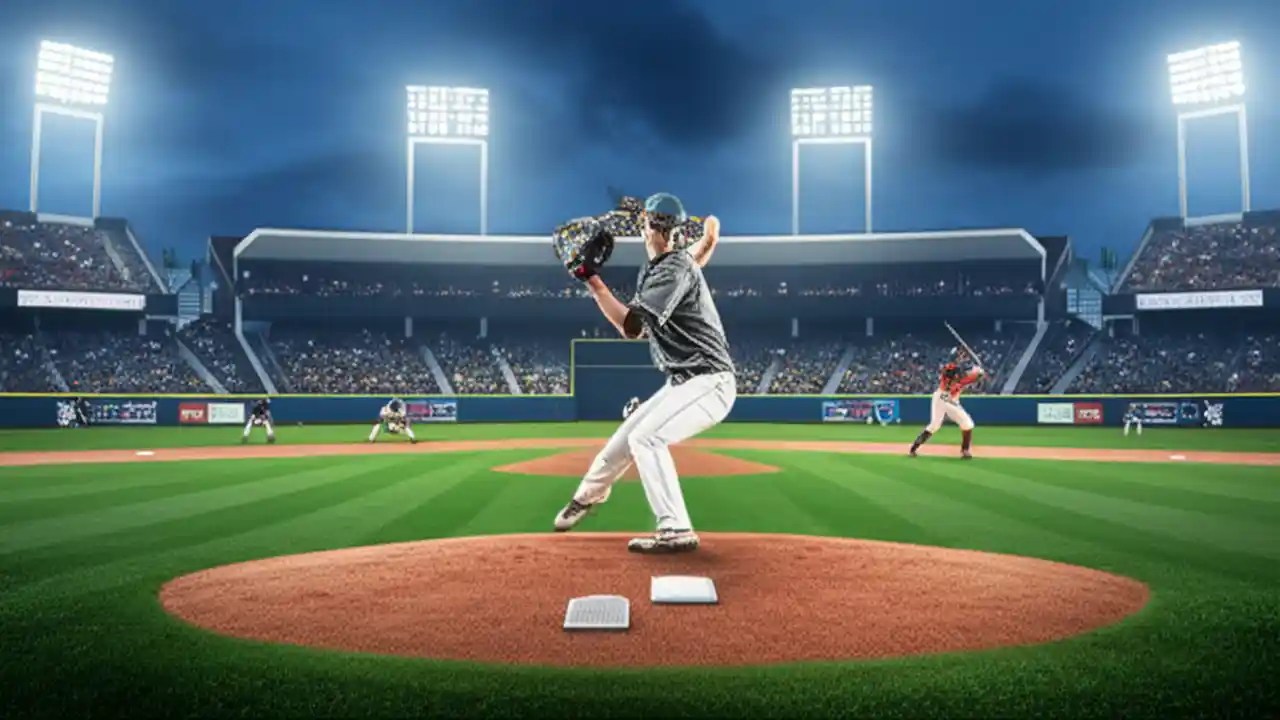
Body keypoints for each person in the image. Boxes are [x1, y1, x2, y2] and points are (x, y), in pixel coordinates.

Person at [552, 193, 735, 553]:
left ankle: (676, 528)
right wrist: (710, 236)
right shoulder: (672, 265)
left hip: (709, 380)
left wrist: (592, 280)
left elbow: (632, 328)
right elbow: (697, 256)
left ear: (654, 229)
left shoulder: (672, 268)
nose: (655, 230)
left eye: (657, 224)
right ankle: (586, 497)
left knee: (646, 439)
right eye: (655, 223)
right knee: (624, 439)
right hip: (684, 382)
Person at [909, 347, 984, 459]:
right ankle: (914, 448)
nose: (962, 358)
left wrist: (980, 374)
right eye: (960, 356)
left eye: (963, 356)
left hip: (953, 400)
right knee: (934, 425)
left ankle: (965, 450)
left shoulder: (967, 370)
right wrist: (976, 371)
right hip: (942, 397)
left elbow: (977, 381)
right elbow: (957, 374)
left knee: (967, 424)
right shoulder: (949, 368)